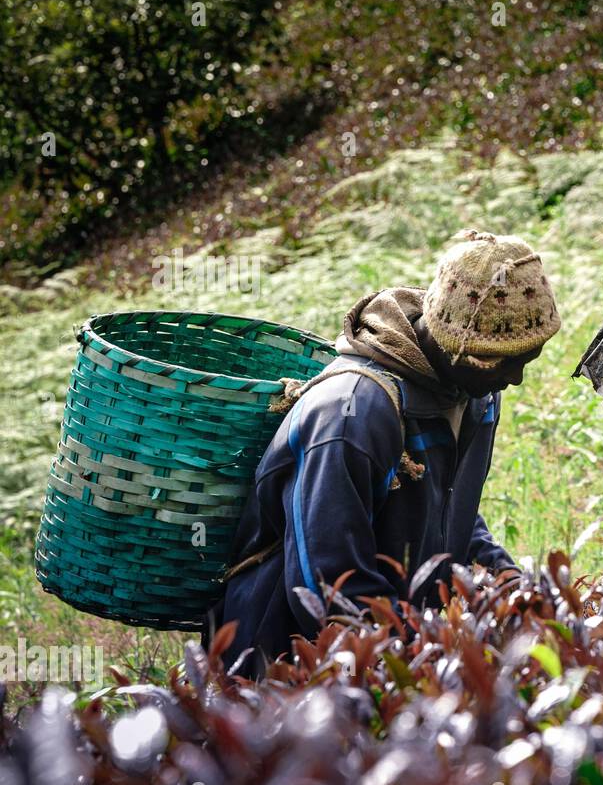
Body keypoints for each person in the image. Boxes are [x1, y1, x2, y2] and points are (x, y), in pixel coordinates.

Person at [217, 229, 560, 673]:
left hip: (398, 643)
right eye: (504, 361)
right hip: (283, 657)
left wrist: (504, 580)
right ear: (455, 348)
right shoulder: (350, 416)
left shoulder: (476, 391)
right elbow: (327, 587)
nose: (515, 379)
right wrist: (412, 660)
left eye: (527, 358)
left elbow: (446, 509)